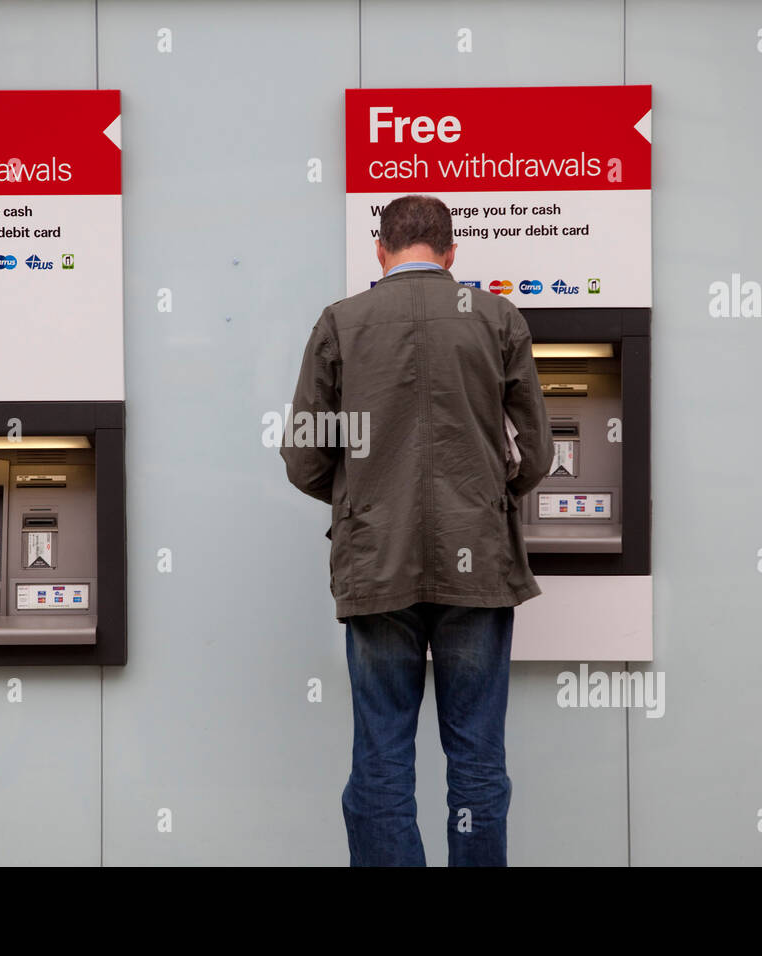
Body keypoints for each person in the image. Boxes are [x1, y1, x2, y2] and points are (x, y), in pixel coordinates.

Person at [281, 195, 554, 866]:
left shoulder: (342, 323)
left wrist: (361, 501)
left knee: (380, 762)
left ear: (381, 252)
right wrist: (489, 498)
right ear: (452, 253)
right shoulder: (496, 319)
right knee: (478, 765)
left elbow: (304, 456)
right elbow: (539, 452)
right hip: (479, 568)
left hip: (378, 563)